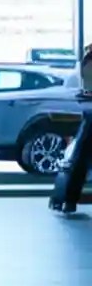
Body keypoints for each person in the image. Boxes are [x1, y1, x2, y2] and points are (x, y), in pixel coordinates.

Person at [51, 44, 92, 214]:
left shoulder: (87, 62)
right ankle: (66, 199)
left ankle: (65, 199)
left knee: (79, 158)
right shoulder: (89, 62)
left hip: (90, 114)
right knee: (80, 158)